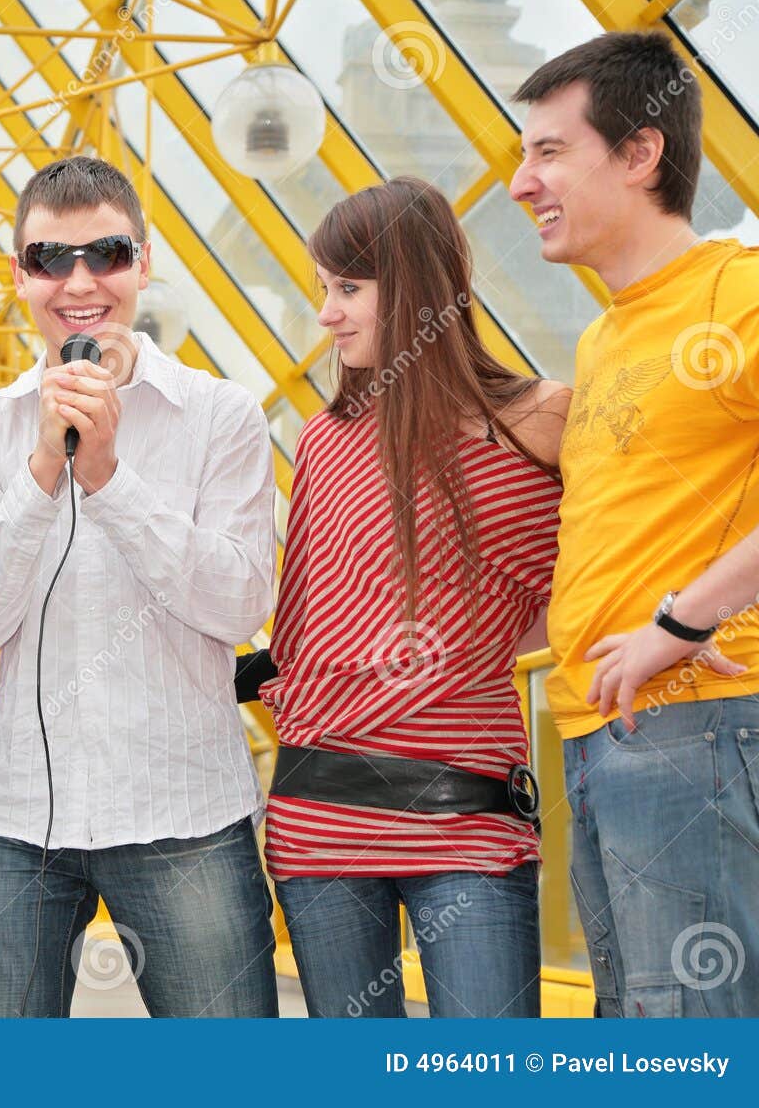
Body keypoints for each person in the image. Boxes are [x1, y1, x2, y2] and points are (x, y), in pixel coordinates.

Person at [0, 155, 279, 1017]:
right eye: (51, 258)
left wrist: (111, 481)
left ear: (144, 262)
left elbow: (240, 603)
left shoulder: (222, 416)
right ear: (19, 275)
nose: (80, 282)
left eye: (108, 254)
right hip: (11, 815)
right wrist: (43, 467)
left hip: (184, 807)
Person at [257, 177, 570, 1018]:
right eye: (323, 288)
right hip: (318, 811)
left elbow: (596, 575)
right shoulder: (324, 439)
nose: (326, 313)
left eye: (348, 287)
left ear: (416, 285)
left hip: (468, 809)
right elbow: (304, 620)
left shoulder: (540, 419)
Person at [511, 30, 759, 1016]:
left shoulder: (737, 291)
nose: (521, 182)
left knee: (690, 1042)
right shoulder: (605, 335)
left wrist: (684, 619)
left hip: (700, 721)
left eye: (549, 151)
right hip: (599, 729)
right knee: (639, 1033)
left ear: (640, 152)